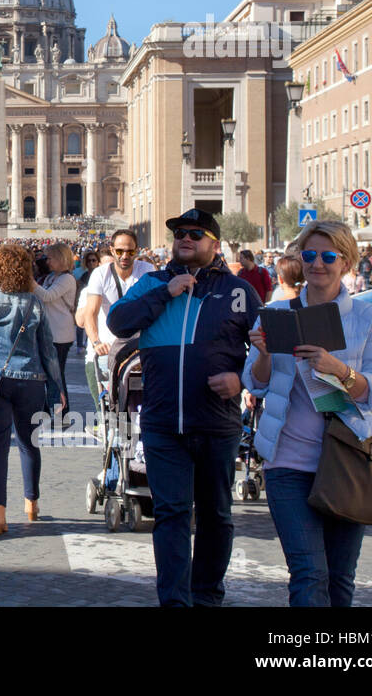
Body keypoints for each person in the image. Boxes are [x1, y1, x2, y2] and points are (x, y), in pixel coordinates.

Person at [107, 209, 261, 607]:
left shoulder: (239, 291)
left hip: (217, 424)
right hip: (162, 424)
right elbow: (119, 321)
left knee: (215, 516)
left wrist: (241, 379)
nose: (185, 238)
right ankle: (174, 602)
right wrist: (166, 291)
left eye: (195, 233)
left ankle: (207, 596)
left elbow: (268, 352)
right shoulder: (152, 282)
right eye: (178, 233)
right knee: (172, 514)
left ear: (214, 242)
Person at [243, 220, 372, 606]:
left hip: (346, 460)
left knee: (341, 579)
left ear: (346, 262)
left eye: (328, 256)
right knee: (309, 573)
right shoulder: (275, 312)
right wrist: (262, 353)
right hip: (287, 462)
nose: (318, 264)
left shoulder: (367, 318)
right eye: (309, 255)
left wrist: (339, 370)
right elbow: (255, 384)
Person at [0, 245, 65, 534]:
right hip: (31, 380)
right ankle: (31, 502)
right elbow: (48, 352)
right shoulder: (35, 303)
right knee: (28, 443)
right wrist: (56, 385)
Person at [80, 231, 153, 416]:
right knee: (107, 405)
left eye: (130, 252)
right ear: (112, 251)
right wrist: (96, 342)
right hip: (107, 347)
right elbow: (91, 312)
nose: (125, 256)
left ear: (137, 251)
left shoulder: (147, 271)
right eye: (120, 251)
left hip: (138, 349)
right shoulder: (100, 274)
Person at [38, 242, 78, 401]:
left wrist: (30, 282)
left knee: (56, 374)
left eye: (50, 258)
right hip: (50, 332)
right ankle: (52, 408)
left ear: (61, 259)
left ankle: (62, 410)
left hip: (60, 334)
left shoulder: (67, 279)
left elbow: (48, 296)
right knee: (50, 374)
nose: (47, 262)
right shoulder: (50, 277)